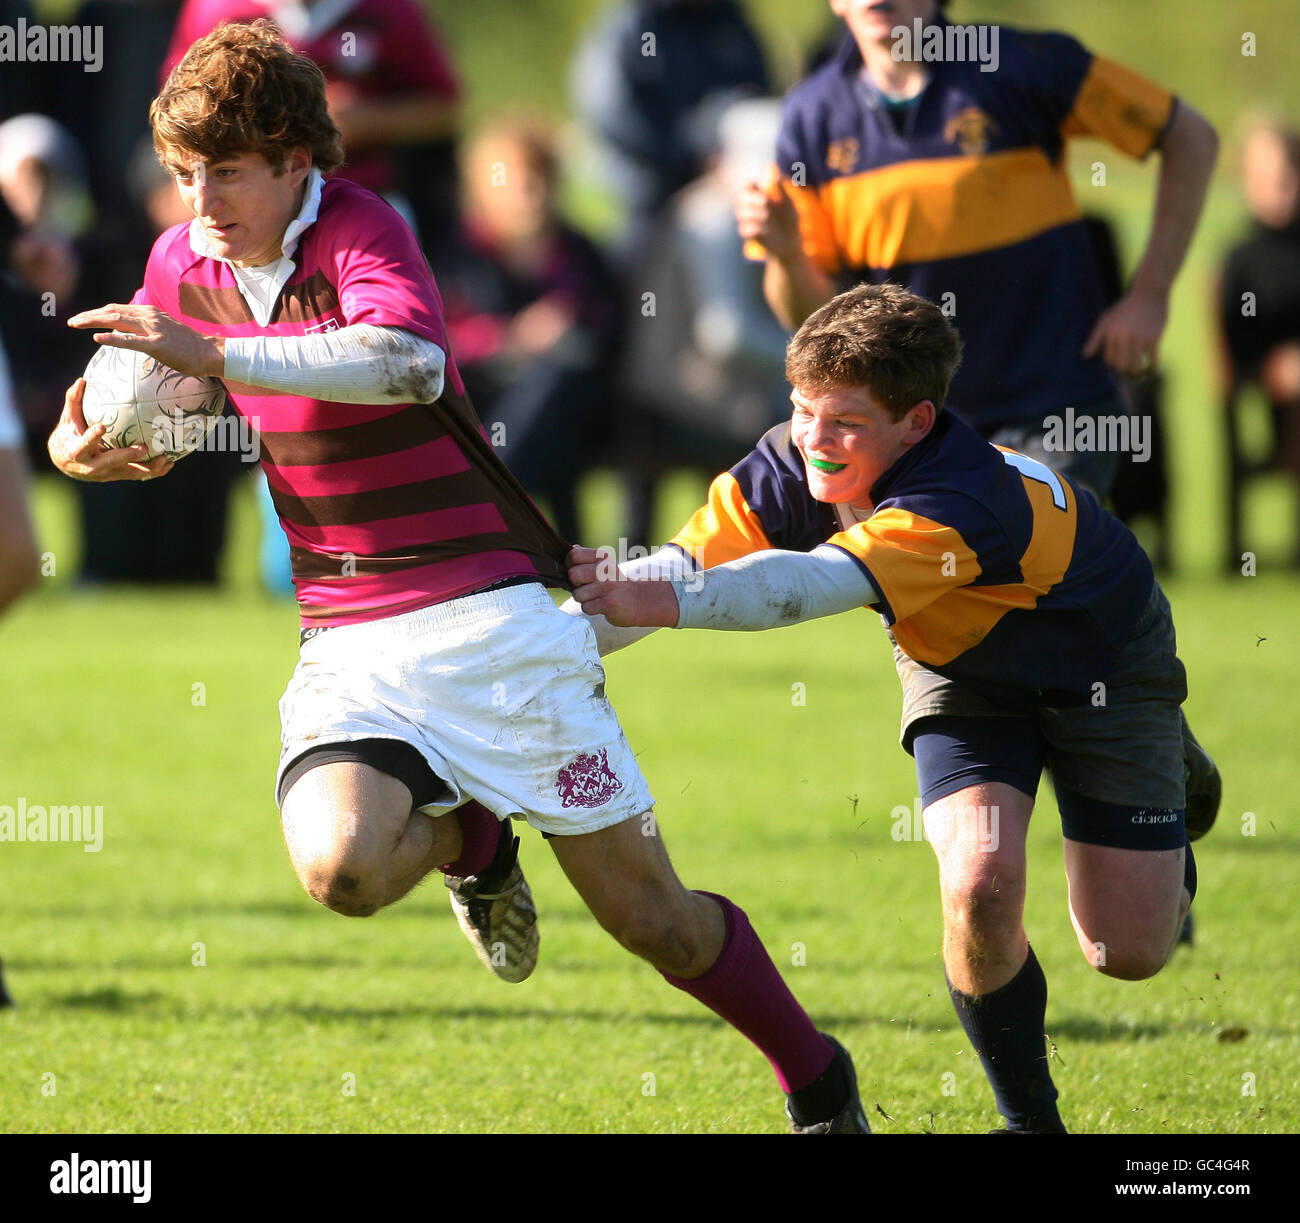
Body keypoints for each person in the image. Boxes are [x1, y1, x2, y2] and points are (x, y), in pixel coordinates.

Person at [44, 20, 868, 1132]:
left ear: (297, 159)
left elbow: (409, 362)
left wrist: (215, 356)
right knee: (339, 868)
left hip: (490, 612)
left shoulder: (362, 226)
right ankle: (474, 840)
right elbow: (158, 397)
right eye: (185, 176)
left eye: (226, 174)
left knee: (653, 921)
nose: (199, 203)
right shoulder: (182, 263)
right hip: (346, 628)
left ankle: (815, 1074)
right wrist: (82, 442)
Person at [566, 282, 1221, 1133]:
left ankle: (1171, 769)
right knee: (981, 885)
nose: (814, 439)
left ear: (915, 422)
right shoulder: (790, 462)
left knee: (1126, 953)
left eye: (843, 421)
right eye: (803, 409)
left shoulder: (961, 497)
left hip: (1103, 656)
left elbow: (804, 586)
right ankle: (1030, 1124)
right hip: (958, 666)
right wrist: (543, 647)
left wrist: (663, 601)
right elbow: (675, 565)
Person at [737, 0, 1217, 499]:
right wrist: (786, 254)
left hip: (1055, 413)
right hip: (907, 429)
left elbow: (1191, 137)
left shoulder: (1022, 64)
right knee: (930, 573)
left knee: (1010, 565)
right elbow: (814, 321)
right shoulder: (811, 116)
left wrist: (1150, 295)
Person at [439, 119, 622, 545]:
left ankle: (487, 503)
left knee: (559, 381)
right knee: (547, 390)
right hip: (483, 392)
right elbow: (438, 336)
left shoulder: (580, 253)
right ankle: (511, 514)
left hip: (576, 399)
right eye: (517, 183)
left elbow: (612, 328)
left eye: (539, 181)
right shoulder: (457, 256)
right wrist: (511, 339)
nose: (531, 195)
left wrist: (570, 330)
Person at [1218, 118, 1300, 564]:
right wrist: (1274, 364)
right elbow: (1234, 339)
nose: (1281, 189)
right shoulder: (1241, 259)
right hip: (1264, 382)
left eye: (1289, 177)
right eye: (1269, 179)